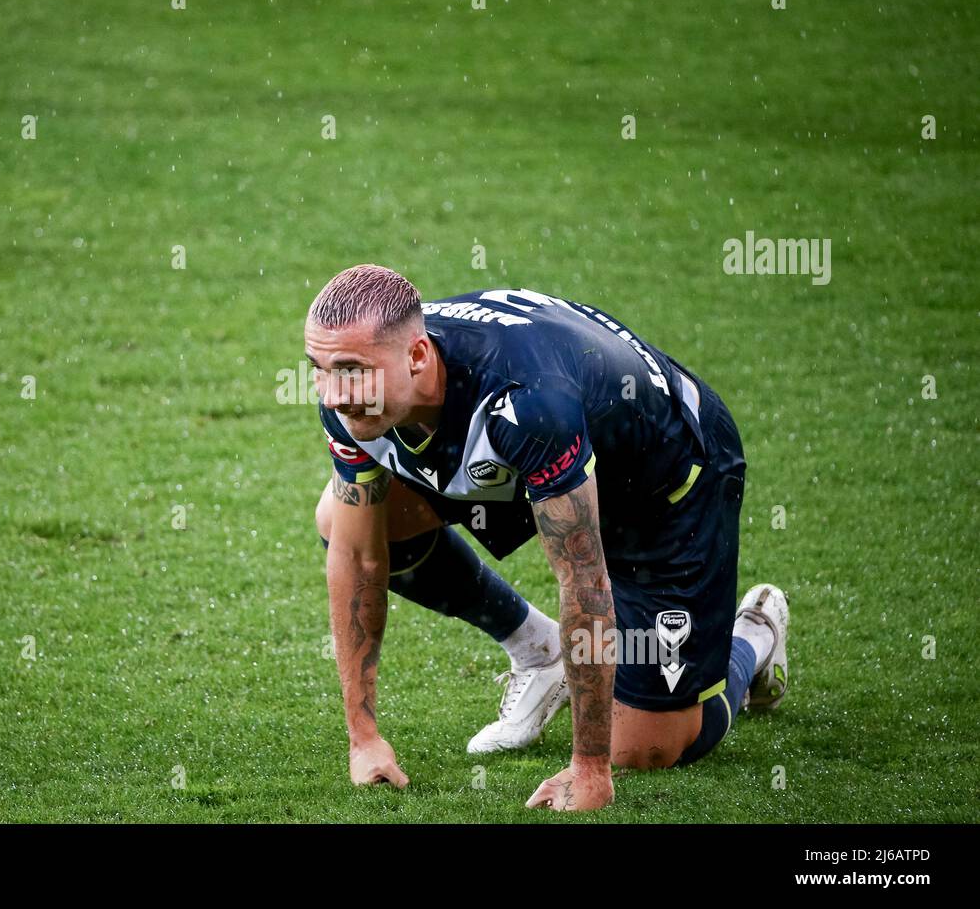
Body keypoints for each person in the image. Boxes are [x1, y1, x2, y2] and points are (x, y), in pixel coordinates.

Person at [308, 264, 790, 811]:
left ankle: (753, 639)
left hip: (662, 479)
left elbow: (583, 579)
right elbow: (357, 554)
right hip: (529, 458)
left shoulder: (529, 402)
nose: (331, 392)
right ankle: (538, 652)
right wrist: (364, 739)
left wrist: (589, 766)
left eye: (349, 371)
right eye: (318, 369)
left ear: (417, 357)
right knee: (344, 520)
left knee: (646, 749)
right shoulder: (358, 389)